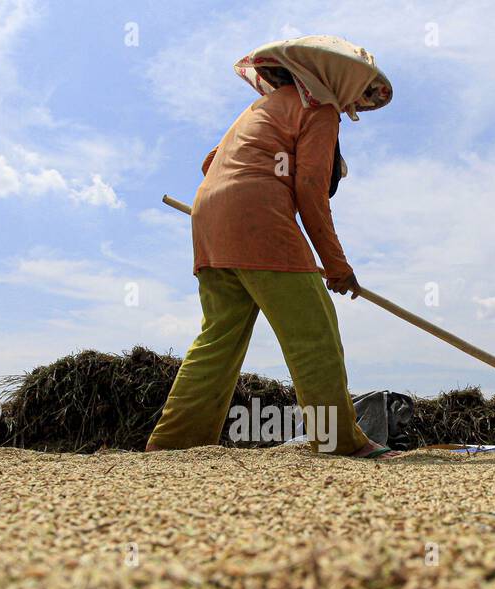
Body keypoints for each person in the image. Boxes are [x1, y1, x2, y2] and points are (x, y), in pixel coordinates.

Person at [145, 36, 394, 457]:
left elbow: (210, 163)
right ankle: (340, 441)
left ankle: (174, 442)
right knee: (313, 331)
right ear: (340, 78)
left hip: (210, 218)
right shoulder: (320, 107)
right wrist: (336, 264)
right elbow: (311, 187)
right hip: (259, 218)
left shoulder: (260, 107)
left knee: (219, 337)